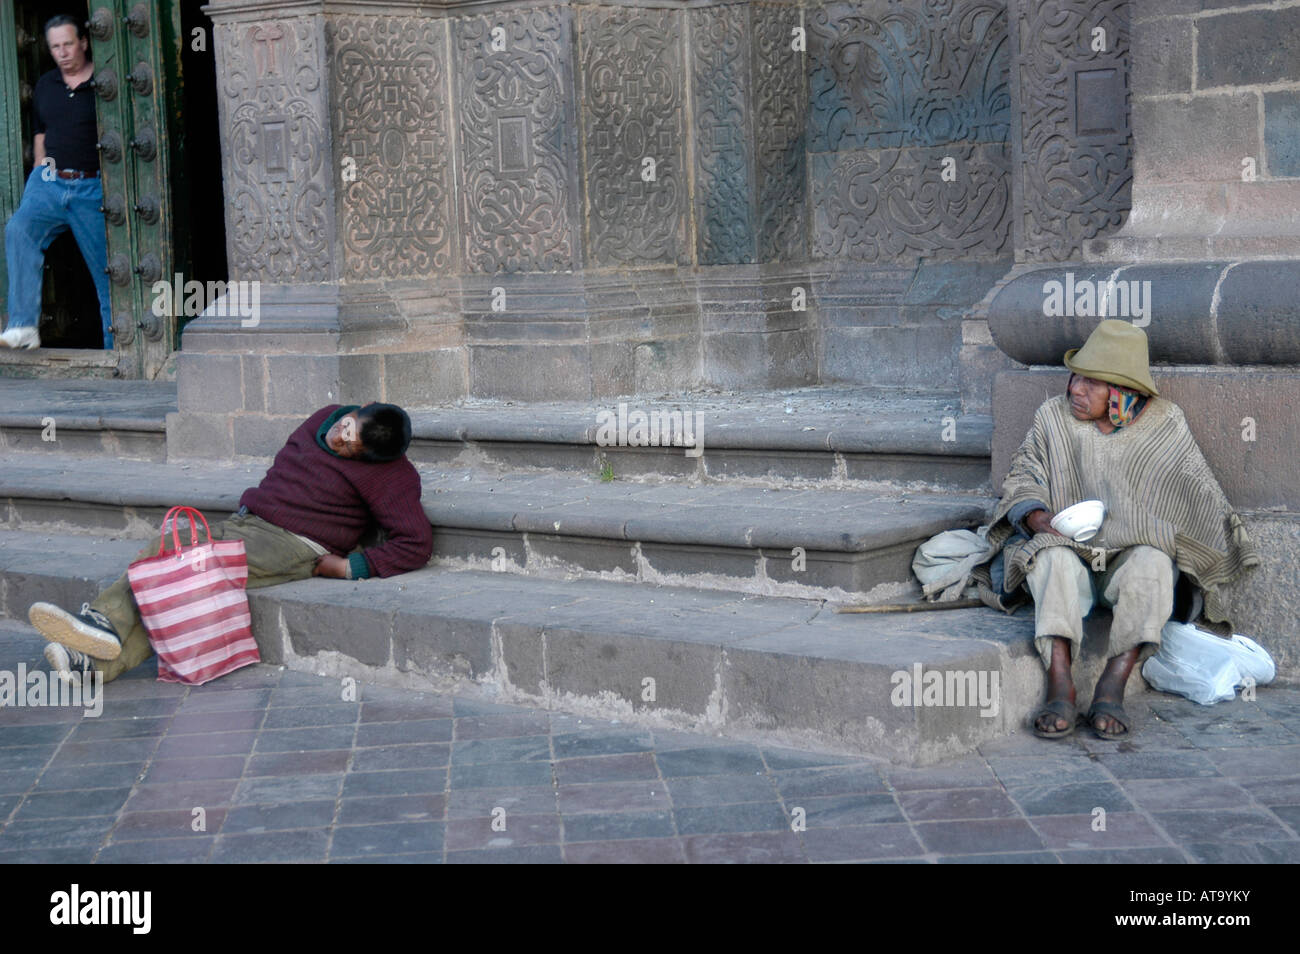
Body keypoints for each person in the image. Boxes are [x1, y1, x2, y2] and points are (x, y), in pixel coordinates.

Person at [978, 320, 1258, 740]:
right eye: (1075, 378)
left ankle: (1114, 680)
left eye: (1092, 384)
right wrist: (1039, 519)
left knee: (1155, 563)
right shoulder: (1053, 418)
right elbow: (1023, 477)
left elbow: (1195, 493)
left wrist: (1168, 536)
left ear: (1122, 392)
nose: (1075, 390)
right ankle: (1060, 682)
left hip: (1126, 562)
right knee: (1048, 556)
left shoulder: (1164, 424)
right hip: (1069, 552)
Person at [28, 403, 434, 685]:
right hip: (250, 521)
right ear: (357, 411)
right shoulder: (325, 417)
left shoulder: (391, 475)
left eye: (351, 447)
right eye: (348, 429)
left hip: (293, 544)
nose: (340, 440)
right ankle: (91, 667)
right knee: (185, 589)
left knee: (180, 554)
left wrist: (350, 568)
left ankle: (102, 622)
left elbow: (416, 543)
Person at [1, 15, 113, 350]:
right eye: (55, 47)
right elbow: (41, 134)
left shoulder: (104, 84)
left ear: (83, 42)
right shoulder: (46, 85)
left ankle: (118, 348)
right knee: (18, 230)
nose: (62, 52)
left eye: (67, 44)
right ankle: (23, 326)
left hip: (91, 189)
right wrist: (38, 174)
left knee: (106, 272)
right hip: (49, 182)